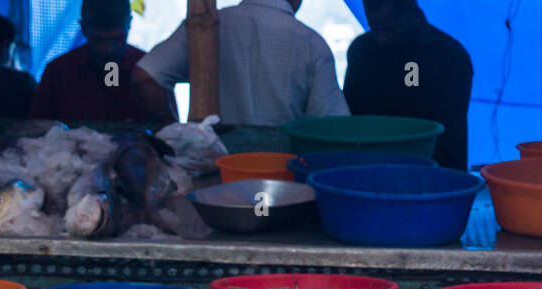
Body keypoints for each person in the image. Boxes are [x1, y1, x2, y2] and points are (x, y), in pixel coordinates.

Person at [133, 0, 349, 125]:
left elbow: (145, 77)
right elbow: (333, 128)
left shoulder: (207, 24)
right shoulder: (311, 44)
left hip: (211, 174)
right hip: (282, 176)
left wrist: (176, 135)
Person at [344, 0, 473, 169]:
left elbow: (448, 138)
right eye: (374, 28)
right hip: (369, 169)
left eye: (389, 30)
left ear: (412, 16)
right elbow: (351, 118)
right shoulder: (362, 49)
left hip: (433, 175)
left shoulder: (449, 57)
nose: (381, 39)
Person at [29, 0, 148, 124]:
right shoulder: (58, 72)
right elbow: (37, 129)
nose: (108, 49)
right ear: (83, 28)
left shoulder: (150, 70)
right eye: (99, 40)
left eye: (118, 39)